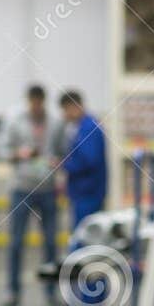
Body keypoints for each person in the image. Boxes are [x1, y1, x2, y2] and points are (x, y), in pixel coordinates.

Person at [0, 84, 63, 306]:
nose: (35, 107)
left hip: (47, 188)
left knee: (51, 242)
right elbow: (1, 150)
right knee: (16, 242)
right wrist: (19, 154)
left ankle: (51, 292)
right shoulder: (15, 120)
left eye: (39, 103)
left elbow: (64, 151)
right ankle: (12, 292)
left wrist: (57, 160)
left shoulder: (55, 122)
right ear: (28, 102)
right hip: (21, 188)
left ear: (43, 102)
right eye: (32, 103)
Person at [58, 90, 108, 243]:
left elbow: (90, 160)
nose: (64, 115)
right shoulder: (81, 127)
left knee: (84, 240)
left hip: (88, 194)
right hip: (83, 193)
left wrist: (64, 164)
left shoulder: (88, 128)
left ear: (74, 107)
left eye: (65, 110)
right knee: (84, 237)